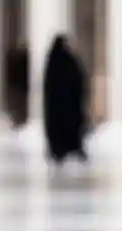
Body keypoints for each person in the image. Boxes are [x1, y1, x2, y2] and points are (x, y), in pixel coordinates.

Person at [43, 35, 89, 164]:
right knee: (66, 126)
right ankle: (62, 149)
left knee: (69, 126)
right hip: (64, 104)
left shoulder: (57, 60)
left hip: (65, 104)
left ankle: (65, 149)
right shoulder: (64, 60)